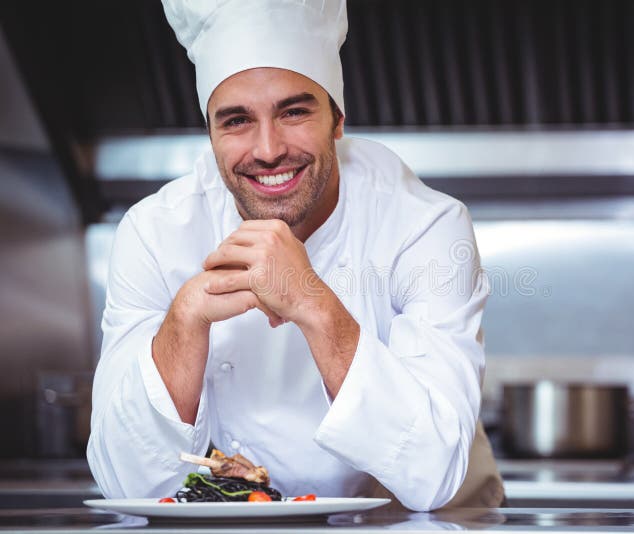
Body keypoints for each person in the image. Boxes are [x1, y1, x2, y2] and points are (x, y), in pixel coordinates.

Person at [87, 0, 503, 511]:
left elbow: (432, 472)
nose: (267, 149)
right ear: (211, 136)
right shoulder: (156, 232)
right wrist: (185, 321)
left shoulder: (424, 227)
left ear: (338, 120)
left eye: (294, 111)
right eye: (237, 120)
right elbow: (123, 483)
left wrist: (310, 300)